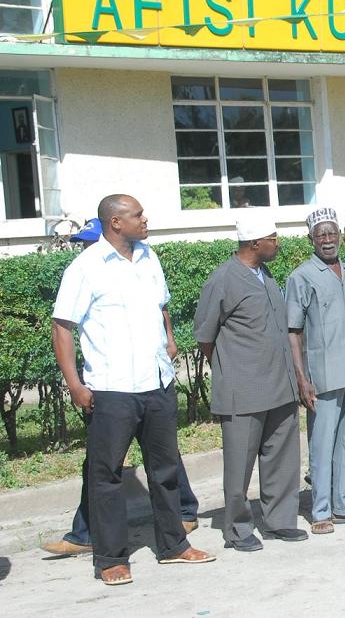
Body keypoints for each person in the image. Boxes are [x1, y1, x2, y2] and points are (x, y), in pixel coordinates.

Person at [51, 194, 214, 584]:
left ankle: (174, 545)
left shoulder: (148, 257)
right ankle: (111, 559)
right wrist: (75, 383)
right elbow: (62, 326)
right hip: (111, 389)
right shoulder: (86, 268)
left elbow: (162, 306)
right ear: (115, 223)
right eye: (137, 215)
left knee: (165, 470)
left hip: (155, 382)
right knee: (106, 477)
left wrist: (169, 340)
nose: (145, 219)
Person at [194, 215, 305, 552]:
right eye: (273, 238)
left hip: (280, 386)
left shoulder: (265, 275)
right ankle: (238, 530)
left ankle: (279, 521)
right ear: (255, 243)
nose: (278, 243)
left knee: (283, 460)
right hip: (243, 390)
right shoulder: (223, 279)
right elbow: (205, 336)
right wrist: (230, 369)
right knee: (239, 466)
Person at [287, 208, 345, 533]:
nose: (327, 240)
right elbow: (293, 331)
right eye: (320, 235)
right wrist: (302, 378)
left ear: (339, 235)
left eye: (331, 233)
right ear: (311, 239)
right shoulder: (301, 276)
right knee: (323, 443)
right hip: (323, 376)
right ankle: (322, 511)